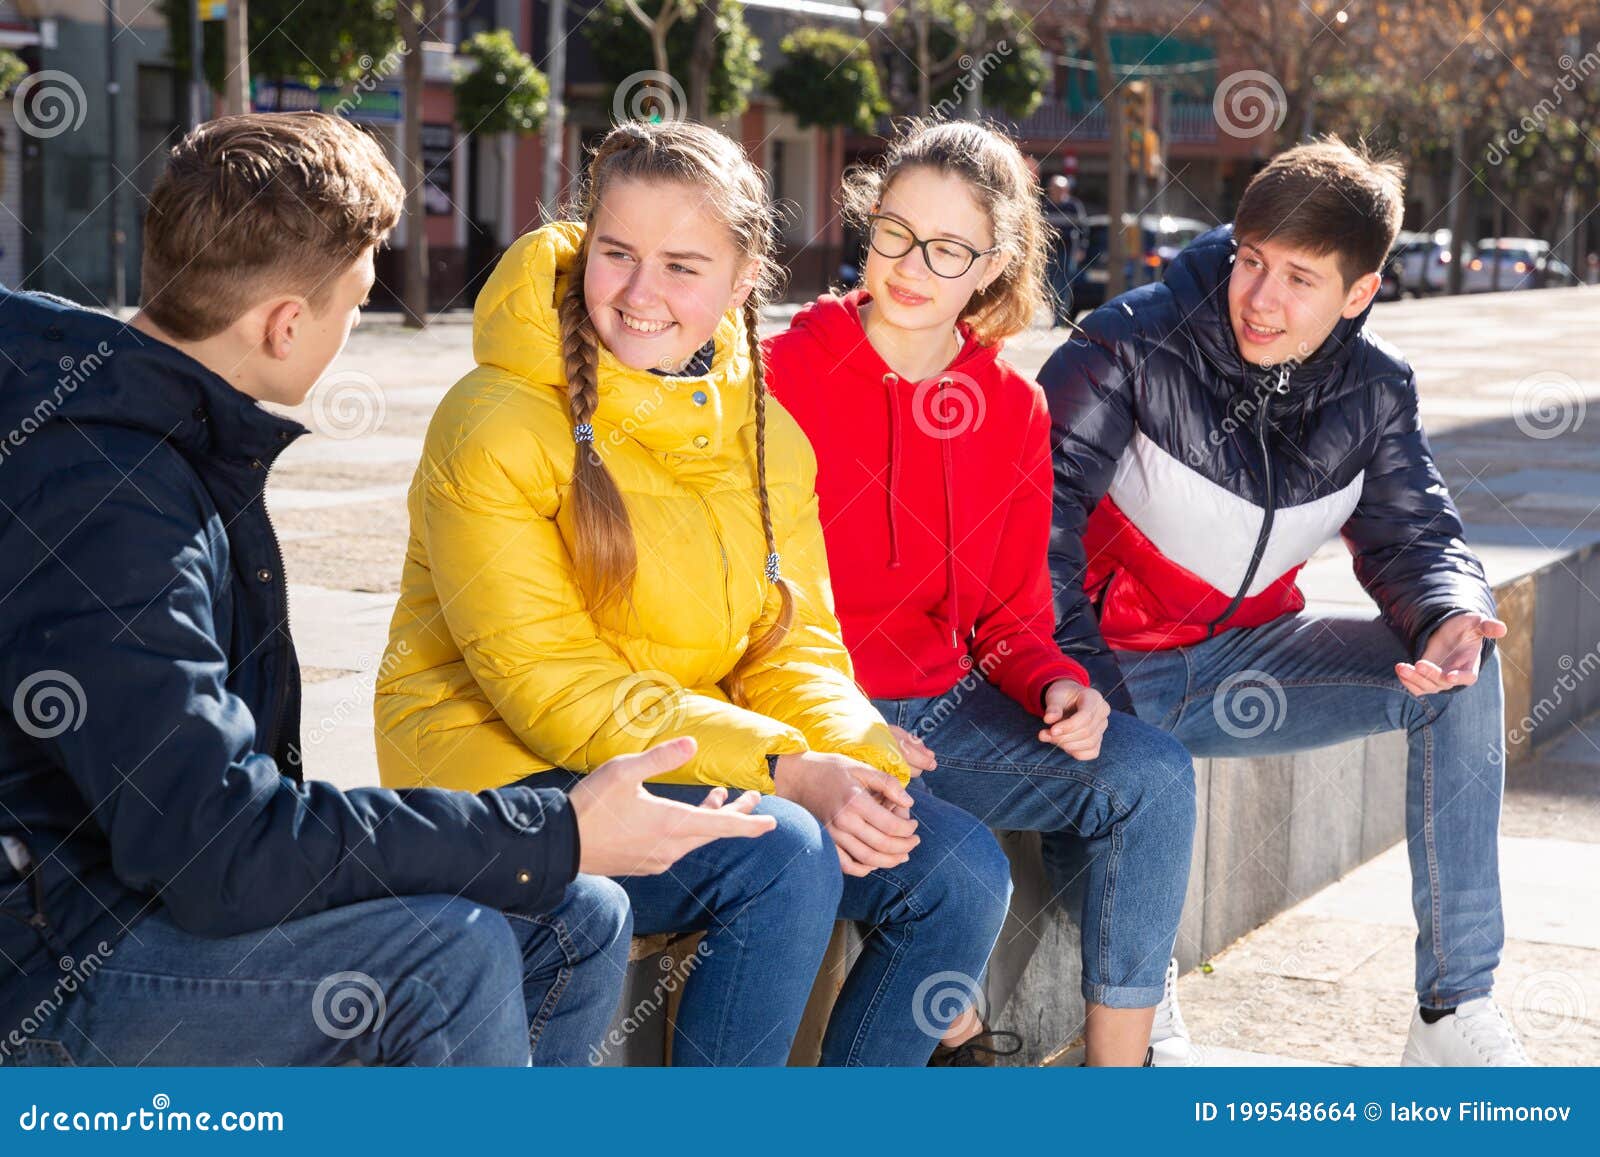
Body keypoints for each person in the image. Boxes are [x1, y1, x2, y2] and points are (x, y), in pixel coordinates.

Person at [0, 113, 776, 1068]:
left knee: (573, 913)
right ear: (286, 324)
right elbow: (216, 848)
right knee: (444, 954)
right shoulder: (111, 505)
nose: (353, 328)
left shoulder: (162, 443)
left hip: (128, 896)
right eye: (355, 304)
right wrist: (551, 824)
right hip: (56, 972)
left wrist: (553, 847)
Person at [373, 120, 1013, 1067]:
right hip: (500, 771)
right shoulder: (496, 420)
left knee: (958, 868)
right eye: (618, 254)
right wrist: (787, 769)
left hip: (686, 751)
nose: (640, 294)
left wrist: (849, 752)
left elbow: (792, 642)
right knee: (782, 852)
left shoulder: (761, 432)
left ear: (744, 277)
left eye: (682, 265)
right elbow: (553, 688)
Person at [1040, 136, 1529, 1065]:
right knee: (1120, 770)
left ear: (1359, 293)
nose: (1261, 298)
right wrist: (1078, 675)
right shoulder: (1125, 343)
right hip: (1110, 666)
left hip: (1246, 662)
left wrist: (1449, 611)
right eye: (1251, 261)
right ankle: (1145, 1007)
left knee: (1467, 667)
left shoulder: (1375, 390)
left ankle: (1452, 1014)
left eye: (1300, 278)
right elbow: (1034, 528)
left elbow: (1414, 533)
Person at [765, 120, 1196, 1067]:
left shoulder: (1010, 407)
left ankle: (1116, 1077)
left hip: (946, 719)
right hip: (813, 715)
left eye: (949, 248)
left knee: (1154, 774)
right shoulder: (785, 374)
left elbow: (1007, 618)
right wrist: (834, 725)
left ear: (993, 265)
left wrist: (1054, 685)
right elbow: (744, 601)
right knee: (959, 868)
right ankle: (951, 1037)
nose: (911, 266)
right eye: (894, 232)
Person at [1044, 173, 1088, 327]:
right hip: (1049, 250)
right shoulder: (1046, 206)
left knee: (1064, 284)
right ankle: (1055, 315)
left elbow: (1083, 229)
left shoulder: (1073, 206)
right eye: (1055, 189)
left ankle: (1059, 319)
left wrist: (1082, 248)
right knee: (1048, 283)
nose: (1058, 192)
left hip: (1069, 249)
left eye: (1061, 189)